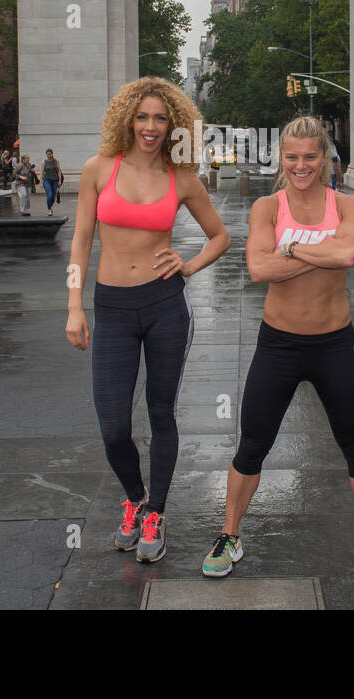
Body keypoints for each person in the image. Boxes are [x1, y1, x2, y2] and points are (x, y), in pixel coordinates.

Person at [201, 116, 354, 582]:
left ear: (325, 157)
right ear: (281, 159)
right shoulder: (268, 207)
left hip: (334, 345)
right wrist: (315, 251)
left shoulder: (347, 205)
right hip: (279, 344)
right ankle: (230, 535)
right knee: (251, 446)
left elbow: (347, 257)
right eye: (292, 157)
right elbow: (258, 271)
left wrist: (288, 250)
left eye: (311, 156)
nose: (302, 165)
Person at [65, 78, 230, 563]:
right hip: (111, 307)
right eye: (142, 117)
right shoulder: (99, 169)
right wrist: (75, 304)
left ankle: (156, 511)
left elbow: (219, 237)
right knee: (114, 425)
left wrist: (189, 264)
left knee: (161, 414)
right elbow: (79, 241)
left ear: (173, 124)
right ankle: (135, 497)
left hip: (164, 307)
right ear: (127, 120)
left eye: (161, 118)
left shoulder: (181, 178)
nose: (151, 127)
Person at [41, 149, 64, 216]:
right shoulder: (44, 162)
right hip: (46, 180)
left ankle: (50, 206)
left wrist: (59, 180)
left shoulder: (56, 161)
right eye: (47, 154)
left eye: (50, 154)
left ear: (52, 154)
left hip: (55, 180)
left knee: (53, 196)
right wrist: (41, 181)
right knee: (50, 194)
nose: (49, 155)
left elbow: (59, 171)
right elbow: (42, 172)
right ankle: (49, 209)